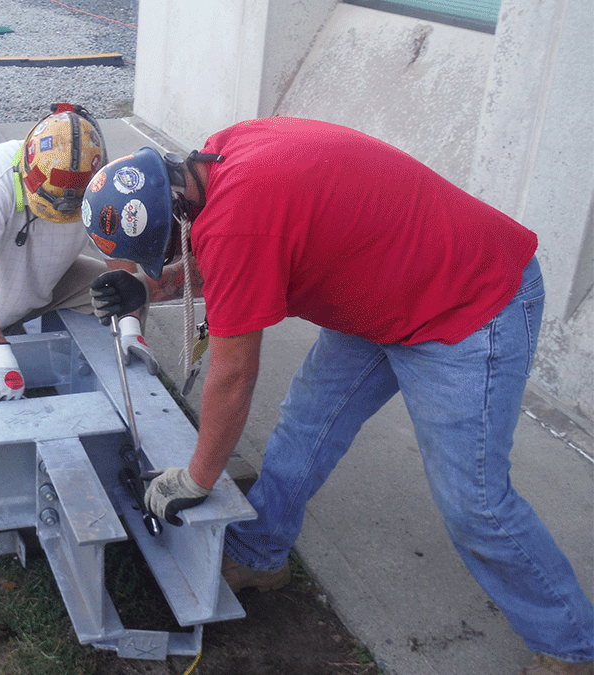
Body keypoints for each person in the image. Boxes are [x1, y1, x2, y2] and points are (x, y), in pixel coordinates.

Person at [81, 117, 593, 675]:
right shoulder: (218, 158)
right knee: (308, 423)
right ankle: (259, 555)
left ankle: (570, 645)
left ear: (178, 209)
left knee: (475, 501)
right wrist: (149, 286)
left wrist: (198, 478)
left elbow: (233, 376)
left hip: (469, 303)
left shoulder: (236, 224)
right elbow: (232, 256)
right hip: (387, 290)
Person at [0, 103, 157, 400]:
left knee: (128, 287)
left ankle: (128, 379)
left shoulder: (100, 181)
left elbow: (122, 269)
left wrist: (130, 324)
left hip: (43, 285)